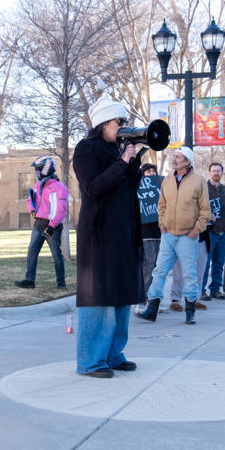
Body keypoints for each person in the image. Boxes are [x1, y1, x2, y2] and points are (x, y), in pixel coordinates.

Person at [73, 96, 145, 378]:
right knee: (99, 299)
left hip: (124, 232)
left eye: (125, 121)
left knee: (123, 296)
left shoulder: (120, 149)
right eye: (118, 121)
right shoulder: (85, 149)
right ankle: (91, 361)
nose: (123, 126)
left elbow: (130, 186)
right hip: (99, 234)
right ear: (103, 123)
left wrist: (133, 160)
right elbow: (92, 187)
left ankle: (114, 355)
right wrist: (122, 161)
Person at [136, 146, 210, 325]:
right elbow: (161, 206)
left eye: (178, 157)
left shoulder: (199, 180)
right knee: (159, 271)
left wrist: (196, 230)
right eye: (174, 156)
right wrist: (162, 226)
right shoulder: (167, 180)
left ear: (187, 161)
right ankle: (152, 309)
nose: (174, 159)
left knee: (189, 274)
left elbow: (205, 210)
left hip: (188, 236)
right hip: (168, 235)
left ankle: (190, 311)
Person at [14, 155, 69, 290]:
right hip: (38, 225)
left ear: (47, 169)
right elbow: (30, 199)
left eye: (38, 169)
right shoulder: (38, 186)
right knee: (32, 252)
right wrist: (32, 210)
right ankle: (29, 281)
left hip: (52, 228)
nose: (36, 172)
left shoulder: (59, 188)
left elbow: (61, 210)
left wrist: (52, 226)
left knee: (56, 255)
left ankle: (61, 283)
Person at [200, 162, 225, 300]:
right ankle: (201, 290)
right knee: (205, 263)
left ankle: (215, 289)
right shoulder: (203, 189)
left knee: (219, 263)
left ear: (222, 173)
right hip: (209, 232)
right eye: (214, 171)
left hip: (223, 232)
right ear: (209, 172)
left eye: (218, 171)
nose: (216, 173)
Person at [137, 163, 162, 307]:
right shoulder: (138, 189)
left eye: (153, 171)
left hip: (161, 233)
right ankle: (142, 299)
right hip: (146, 235)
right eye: (148, 171)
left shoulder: (160, 187)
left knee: (159, 269)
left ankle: (155, 299)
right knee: (148, 267)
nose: (152, 173)